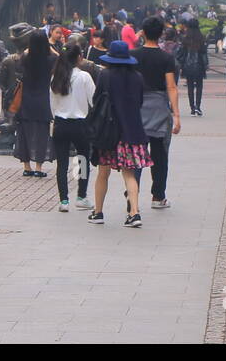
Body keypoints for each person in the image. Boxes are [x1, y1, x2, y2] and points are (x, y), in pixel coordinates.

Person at [88, 40, 150, 228]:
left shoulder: (105, 75)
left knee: (103, 173)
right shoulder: (138, 77)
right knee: (129, 174)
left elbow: (97, 100)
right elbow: (140, 102)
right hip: (132, 132)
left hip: (108, 132)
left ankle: (98, 212)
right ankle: (134, 213)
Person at [134, 16, 180, 210]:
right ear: (161, 34)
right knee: (160, 155)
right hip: (160, 109)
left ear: (143, 33)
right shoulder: (166, 58)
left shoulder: (132, 55)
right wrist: (176, 115)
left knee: (136, 154)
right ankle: (158, 196)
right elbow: (171, 87)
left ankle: (132, 195)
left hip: (137, 109)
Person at [50, 44, 95, 212]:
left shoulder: (55, 77)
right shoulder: (84, 77)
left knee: (61, 164)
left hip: (60, 123)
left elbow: (52, 104)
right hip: (80, 123)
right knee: (82, 159)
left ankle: (64, 200)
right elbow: (94, 101)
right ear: (78, 58)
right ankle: (81, 196)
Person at [13, 30, 55, 177]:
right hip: (42, 100)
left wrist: (27, 50)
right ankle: (39, 168)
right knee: (42, 134)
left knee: (24, 132)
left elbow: (18, 65)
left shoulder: (25, 58)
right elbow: (60, 57)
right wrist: (50, 48)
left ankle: (27, 167)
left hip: (26, 99)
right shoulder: (50, 60)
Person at [177, 19, 208, 117]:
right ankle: (198, 106)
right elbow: (204, 52)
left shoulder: (185, 38)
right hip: (199, 65)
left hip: (188, 65)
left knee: (190, 86)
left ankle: (192, 108)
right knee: (199, 86)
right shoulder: (201, 38)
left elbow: (181, 53)